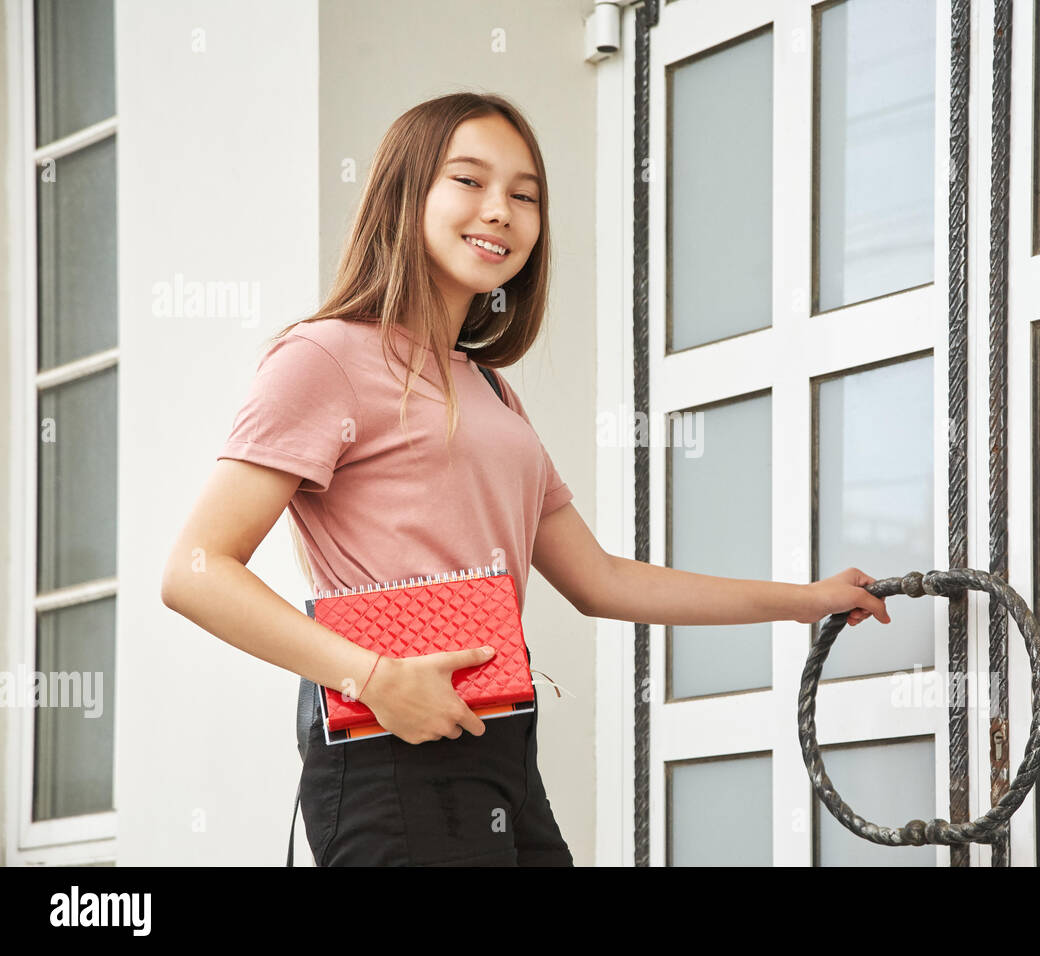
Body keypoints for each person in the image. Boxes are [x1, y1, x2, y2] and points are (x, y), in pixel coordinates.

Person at [159, 92, 891, 867]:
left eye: (524, 194)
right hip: (390, 746)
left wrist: (806, 602)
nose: (500, 210)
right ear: (406, 196)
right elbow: (194, 571)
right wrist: (374, 677)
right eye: (469, 181)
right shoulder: (325, 357)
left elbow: (602, 580)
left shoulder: (495, 394)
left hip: (499, 740)